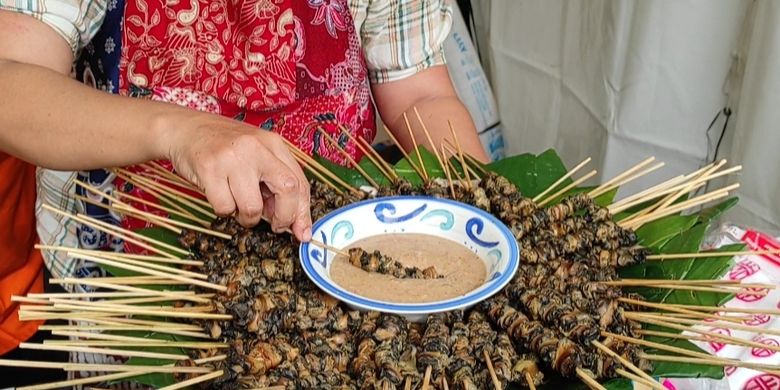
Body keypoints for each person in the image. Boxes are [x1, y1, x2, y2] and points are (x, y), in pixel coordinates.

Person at [0, 0, 488, 383]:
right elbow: (11, 85)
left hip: (336, 283)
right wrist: (178, 131)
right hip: (142, 303)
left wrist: (485, 226)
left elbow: (419, 91)